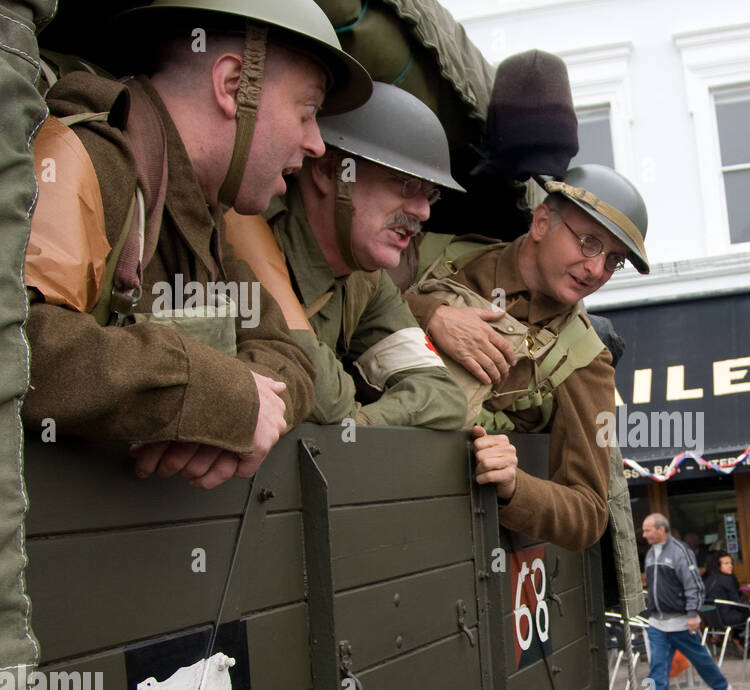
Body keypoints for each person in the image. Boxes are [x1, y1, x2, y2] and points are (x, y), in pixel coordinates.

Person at [23, 0, 371, 490]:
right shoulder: (89, 159)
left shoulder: (205, 220)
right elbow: (21, 340)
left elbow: (288, 356)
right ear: (232, 86)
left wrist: (233, 411)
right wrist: (219, 398)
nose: (317, 144)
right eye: (308, 111)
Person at [402, 164, 649, 552]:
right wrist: (430, 314)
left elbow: (588, 513)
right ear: (541, 223)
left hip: (439, 534)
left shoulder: (585, 359)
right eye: (589, 242)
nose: (596, 269)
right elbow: (349, 301)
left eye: (614, 260)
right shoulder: (433, 256)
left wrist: (515, 485)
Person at [227, 82, 466, 429]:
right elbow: (325, 400)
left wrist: (362, 424)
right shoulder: (242, 238)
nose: (423, 211)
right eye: (406, 185)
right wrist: (350, 423)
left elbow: (443, 396)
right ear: (328, 171)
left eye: (430, 195)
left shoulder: (365, 280)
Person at [637, 513, 730, 690]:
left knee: (699, 658)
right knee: (657, 665)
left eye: (647, 530)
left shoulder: (680, 551)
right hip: (657, 621)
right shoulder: (650, 553)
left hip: (680, 621)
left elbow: (693, 584)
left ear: (661, 530)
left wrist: (692, 614)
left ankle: (721, 687)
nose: (644, 535)